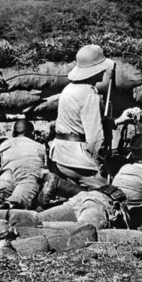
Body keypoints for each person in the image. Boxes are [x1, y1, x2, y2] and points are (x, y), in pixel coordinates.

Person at [47, 44, 113, 189]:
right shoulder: (89, 93)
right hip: (78, 159)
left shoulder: (68, 89)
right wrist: (99, 166)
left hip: (60, 154)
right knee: (110, 196)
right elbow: (95, 138)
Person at [0, 119, 45, 212]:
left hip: (8, 173)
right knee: (21, 195)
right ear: (32, 133)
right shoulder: (40, 147)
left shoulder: (4, 145)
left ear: (13, 134)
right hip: (27, 173)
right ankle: (9, 205)